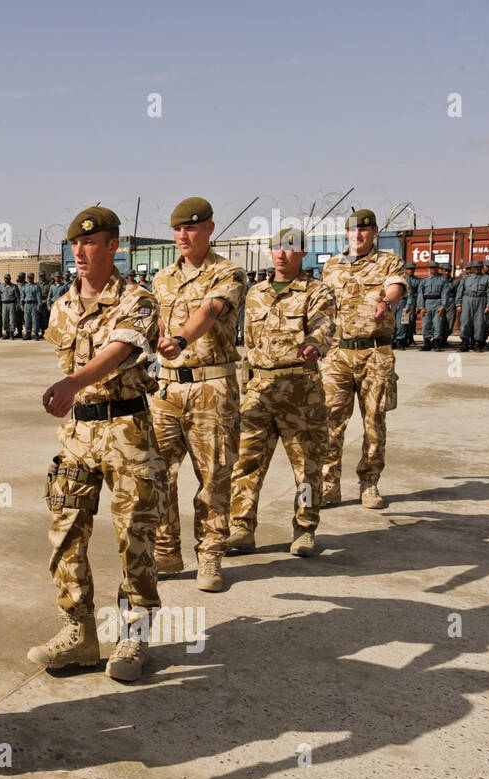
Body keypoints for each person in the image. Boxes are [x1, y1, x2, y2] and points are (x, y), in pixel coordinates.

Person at [27, 206, 164, 681]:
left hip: (127, 430)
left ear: (113, 247)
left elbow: (122, 350)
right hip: (78, 433)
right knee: (65, 531)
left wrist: (72, 382)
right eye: (75, 245)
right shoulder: (62, 306)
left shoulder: (139, 300)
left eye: (91, 243)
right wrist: (72, 393)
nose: (81, 252)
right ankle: (79, 630)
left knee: (134, 537)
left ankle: (134, 635)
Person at [149, 197, 247, 592]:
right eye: (177, 229)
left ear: (209, 228)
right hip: (167, 386)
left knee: (214, 476)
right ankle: (166, 548)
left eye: (191, 228)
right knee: (158, 471)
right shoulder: (161, 279)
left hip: (212, 386)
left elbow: (210, 311)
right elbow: (153, 320)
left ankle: (210, 555)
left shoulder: (229, 273)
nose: (183, 235)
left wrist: (179, 338)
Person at [228, 229, 336, 558]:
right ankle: (241, 527)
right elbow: (246, 339)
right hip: (258, 390)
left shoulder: (317, 291)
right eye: (276, 248)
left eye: (290, 249)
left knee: (306, 466)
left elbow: (325, 326)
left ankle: (304, 529)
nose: (281, 255)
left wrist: (314, 345)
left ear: (303, 253)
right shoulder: (255, 293)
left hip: (299, 393)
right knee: (246, 462)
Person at [318, 209, 407, 509]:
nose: (358, 236)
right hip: (337, 354)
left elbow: (396, 287)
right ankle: (329, 482)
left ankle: (369, 483)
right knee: (330, 421)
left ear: (374, 232)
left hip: (375, 353)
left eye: (364, 231)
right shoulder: (331, 266)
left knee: (374, 421)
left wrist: (385, 302)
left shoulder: (388, 261)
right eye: (353, 231)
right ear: (346, 233)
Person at [455, 261, 489, 352]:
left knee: (480, 323)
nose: (477, 268)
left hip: (481, 301)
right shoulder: (465, 279)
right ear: (472, 268)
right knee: (465, 322)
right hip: (467, 300)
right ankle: (465, 343)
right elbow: (459, 292)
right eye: (475, 267)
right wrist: (458, 304)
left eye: (479, 267)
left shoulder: (487, 279)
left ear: (481, 268)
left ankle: (477, 343)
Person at [419, 265, 450, 351]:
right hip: (427, 303)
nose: (433, 269)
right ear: (428, 269)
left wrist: (443, 306)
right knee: (426, 324)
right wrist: (421, 307)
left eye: (435, 268)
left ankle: (436, 343)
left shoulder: (443, 280)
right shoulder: (424, 280)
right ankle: (427, 343)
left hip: (438, 302)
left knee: (438, 324)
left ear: (438, 269)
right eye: (431, 268)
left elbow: (445, 294)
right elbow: (420, 294)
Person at [0, 273, 19, 338]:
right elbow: (0, 295)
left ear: (10, 279)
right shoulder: (2, 286)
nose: (6, 279)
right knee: (4, 318)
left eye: (7, 278)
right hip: (4, 304)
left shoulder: (14, 286)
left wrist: (17, 305)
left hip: (12, 304)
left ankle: (11, 333)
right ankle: (7, 333)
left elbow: (18, 297)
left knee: (12, 319)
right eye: (5, 278)